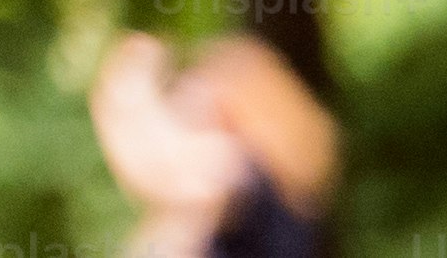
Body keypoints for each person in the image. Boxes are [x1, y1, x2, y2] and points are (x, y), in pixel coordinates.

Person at [94, 30, 339, 258]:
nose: (190, 97)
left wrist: (126, 98)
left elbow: (171, 175)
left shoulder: (242, 174)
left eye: (200, 85)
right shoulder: (282, 193)